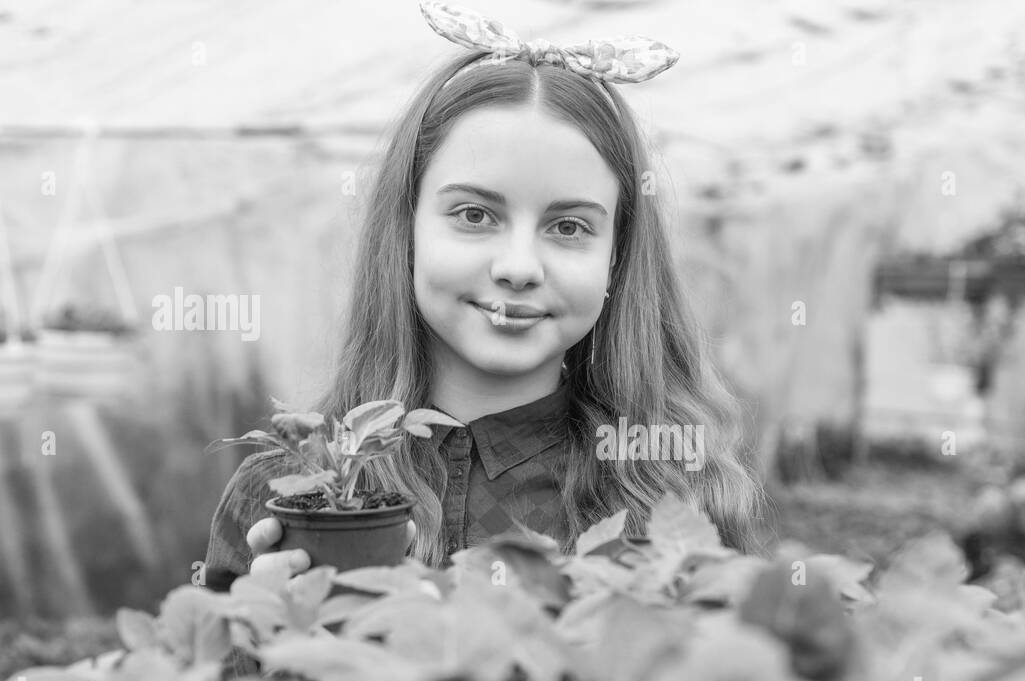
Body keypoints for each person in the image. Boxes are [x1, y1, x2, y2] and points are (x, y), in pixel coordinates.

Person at [202, 2, 769, 592]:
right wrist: (271, 636)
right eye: (475, 214)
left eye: (568, 227)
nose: (519, 267)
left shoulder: (674, 492)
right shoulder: (284, 491)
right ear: (407, 229)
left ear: (617, 257)